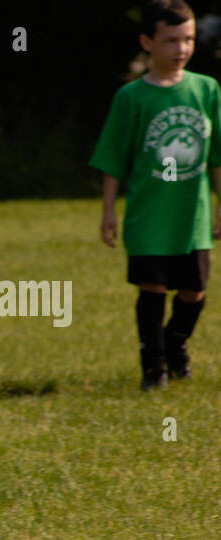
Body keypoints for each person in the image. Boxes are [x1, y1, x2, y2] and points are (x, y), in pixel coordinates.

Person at [91, 0, 221, 390]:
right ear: (147, 42)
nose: (181, 49)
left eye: (188, 39)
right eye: (170, 40)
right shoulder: (132, 98)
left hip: (191, 216)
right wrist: (109, 210)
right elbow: (114, 158)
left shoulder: (207, 90)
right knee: (153, 288)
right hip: (149, 216)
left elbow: (217, 156)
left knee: (194, 292)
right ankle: (154, 367)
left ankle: (174, 343)